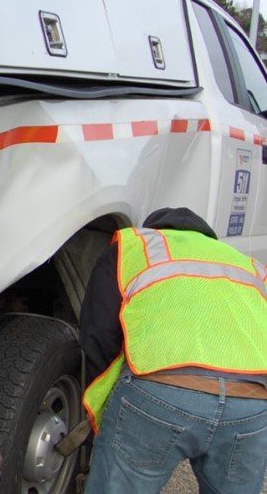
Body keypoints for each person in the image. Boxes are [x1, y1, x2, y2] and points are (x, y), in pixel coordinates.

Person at [79, 207, 267, 493]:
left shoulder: (136, 245)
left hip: (161, 393)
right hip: (250, 404)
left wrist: (101, 413)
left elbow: (99, 334)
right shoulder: (248, 265)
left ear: (155, 229)